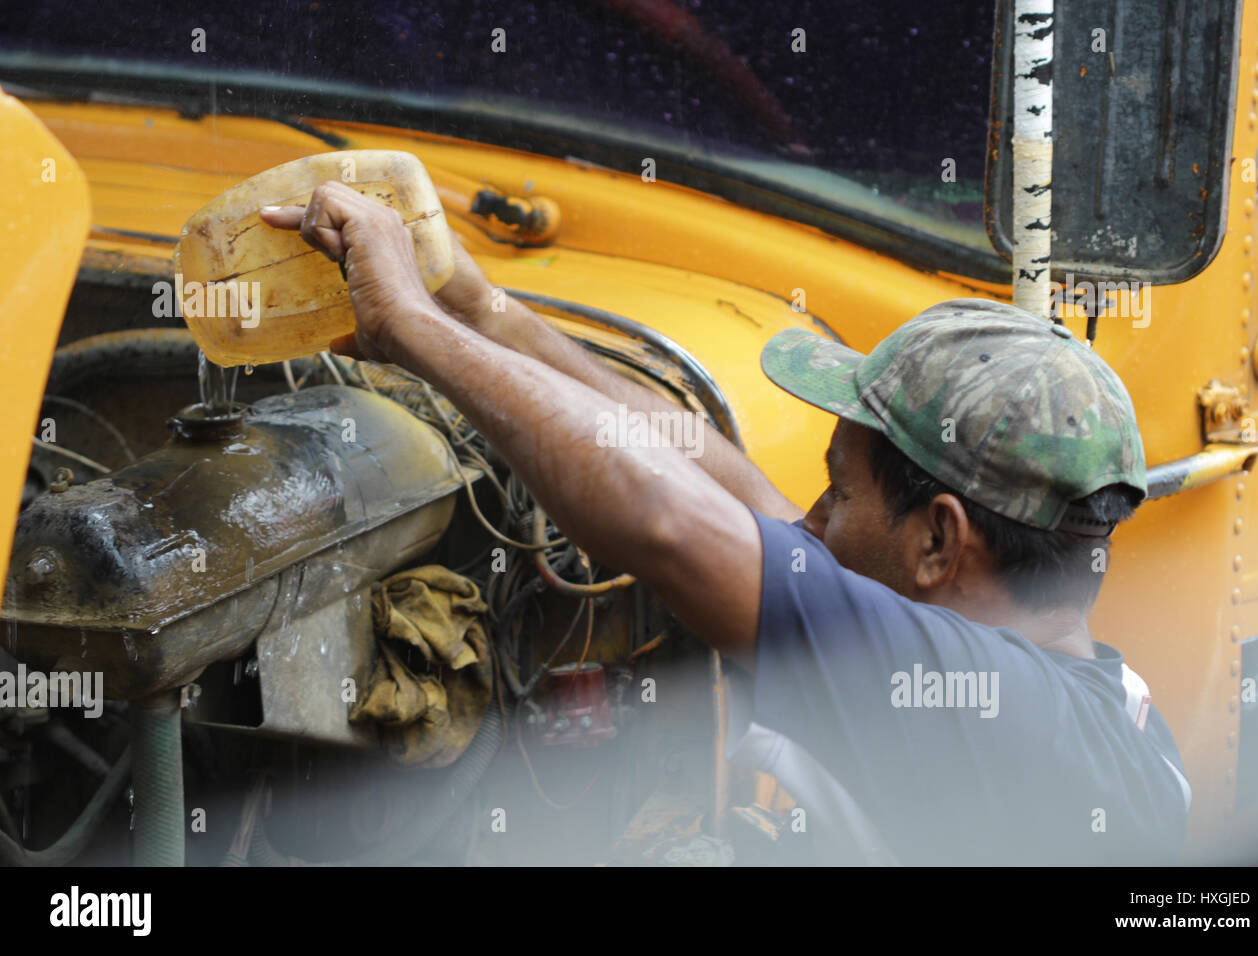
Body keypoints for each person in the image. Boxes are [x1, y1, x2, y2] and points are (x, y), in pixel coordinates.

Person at [261, 184, 1191, 865]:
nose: (810, 520)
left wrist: (411, 329)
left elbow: (669, 523)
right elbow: (734, 494)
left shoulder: (994, 712)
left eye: (840, 494)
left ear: (941, 541)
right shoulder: (1024, 669)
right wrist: (478, 308)